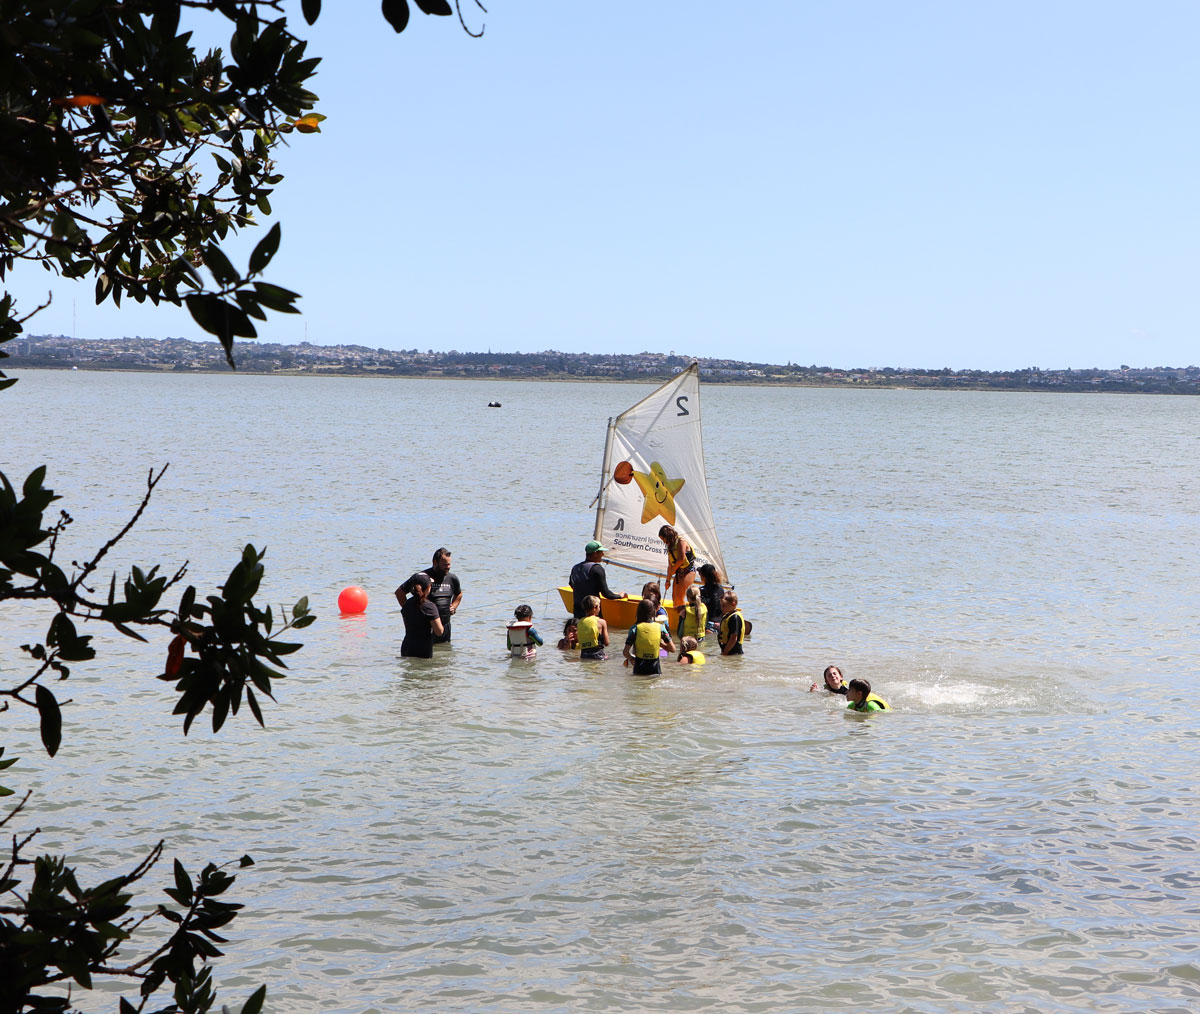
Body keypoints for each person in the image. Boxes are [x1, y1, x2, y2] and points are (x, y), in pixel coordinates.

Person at [395, 547, 461, 643]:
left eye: (449, 564)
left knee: (445, 654)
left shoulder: (452, 578)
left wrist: (454, 606)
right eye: (445, 565)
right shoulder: (422, 577)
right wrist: (411, 612)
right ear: (435, 562)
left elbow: (459, 594)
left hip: (445, 626)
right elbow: (399, 593)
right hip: (426, 628)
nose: (448, 567)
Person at [569, 540, 625, 619]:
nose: (603, 554)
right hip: (593, 612)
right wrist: (619, 596)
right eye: (601, 552)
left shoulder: (575, 568)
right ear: (595, 553)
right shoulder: (597, 569)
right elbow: (606, 594)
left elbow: (572, 585)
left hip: (578, 613)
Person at [623, 597, 675, 676]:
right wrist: (660, 644)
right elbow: (673, 649)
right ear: (653, 612)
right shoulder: (660, 628)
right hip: (655, 669)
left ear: (638, 613)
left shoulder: (635, 628)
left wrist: (632, 659)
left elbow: (625, 652)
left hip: (639, 668)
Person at [400, 572, 444, 658]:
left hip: (407, 646)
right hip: (422, 649)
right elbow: (439, 631)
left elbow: (407, 626)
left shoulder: (407, 604)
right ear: (428, 588)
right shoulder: (430, 606)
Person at [659, 524, 697, 609]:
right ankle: (676, 616)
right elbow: (670, 565)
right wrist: (667, 580)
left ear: (667, 536)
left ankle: (682, 618)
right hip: (679, 572)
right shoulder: (670, 545)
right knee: (674, 596)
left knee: (679, 596)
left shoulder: (681, 541)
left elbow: (681, 559)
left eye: (663, 539)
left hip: (689, 571)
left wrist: (673, 570)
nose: (663, 541)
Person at [576, 595, 610, 660]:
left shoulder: (579, 622)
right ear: (595, 607)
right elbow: (607, 643)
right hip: (598, 655)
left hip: (584, 655)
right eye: (599, 606)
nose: (599, 609)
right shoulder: (601, 622)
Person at [697, 563, 725, 633]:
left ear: (703, 577)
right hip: (720, 623)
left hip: (709, 625)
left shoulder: (701, 590)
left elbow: (696, 607)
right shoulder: (721, 588)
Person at [717, 589, 745, 656]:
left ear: (733, 604)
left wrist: (725, 652)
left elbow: (733, 638)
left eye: (724, 605)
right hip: (728, 650)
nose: (721, 608)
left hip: (734, 652)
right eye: (721, 605)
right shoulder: (728, 615)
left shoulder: (734, 618)